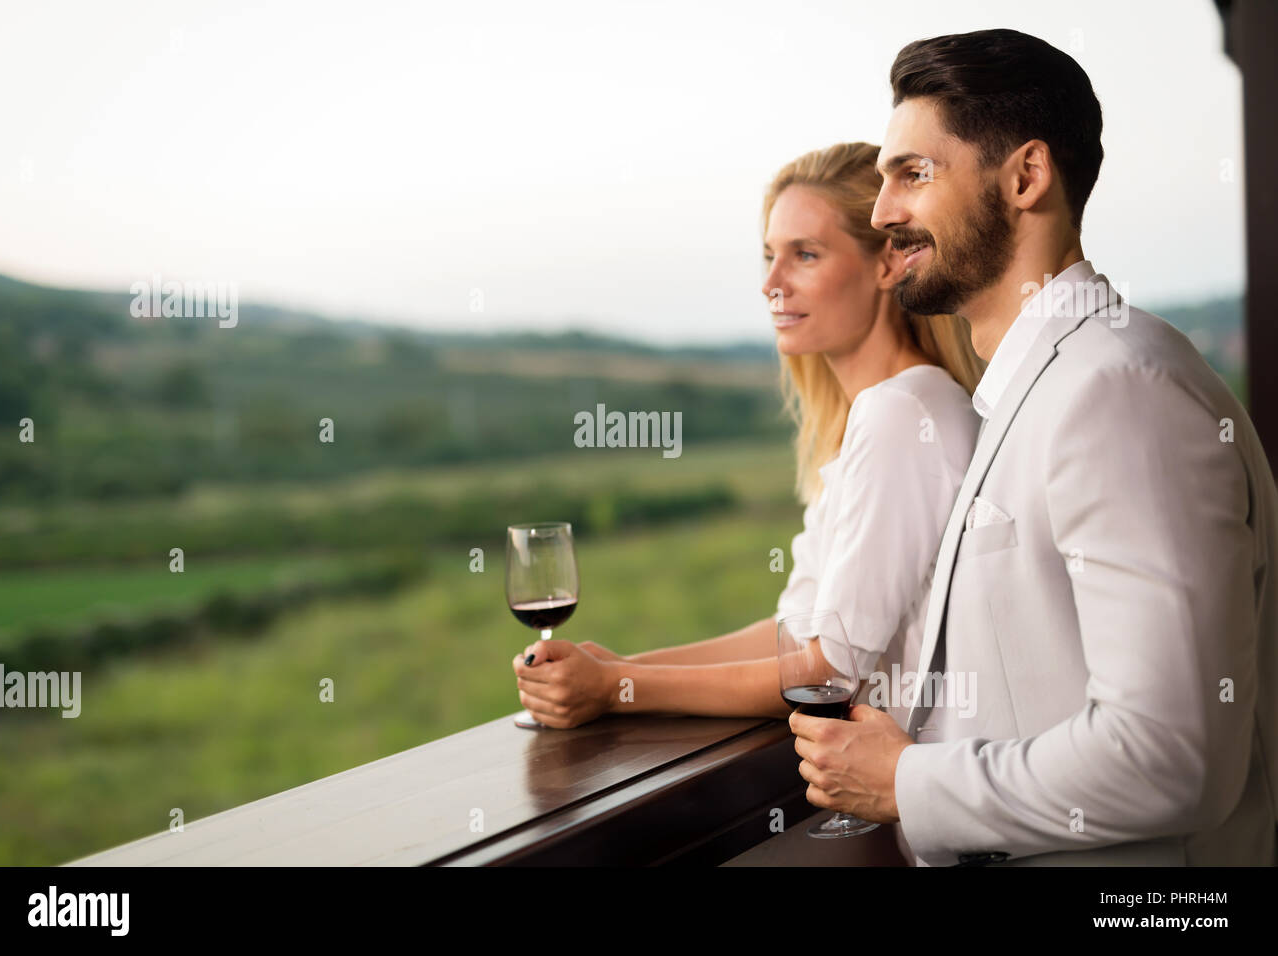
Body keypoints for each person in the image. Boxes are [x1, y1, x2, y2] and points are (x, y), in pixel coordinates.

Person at [788, 27, 1278, 866]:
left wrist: (908, 784)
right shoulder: (1032, 390)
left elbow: (1174, 758)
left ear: (1026, 176)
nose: (882, 214)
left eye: (913, 174)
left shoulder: (1117, 390)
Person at [511, 142, 983, 735]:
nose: (772, 284)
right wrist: (617, 666)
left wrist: (613, 691)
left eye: (805, 255)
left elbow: (827, 670)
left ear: (888, 263)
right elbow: (791, 631)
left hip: (912, 796)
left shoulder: (901, 414)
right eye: (769, 257)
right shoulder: (880, 414)